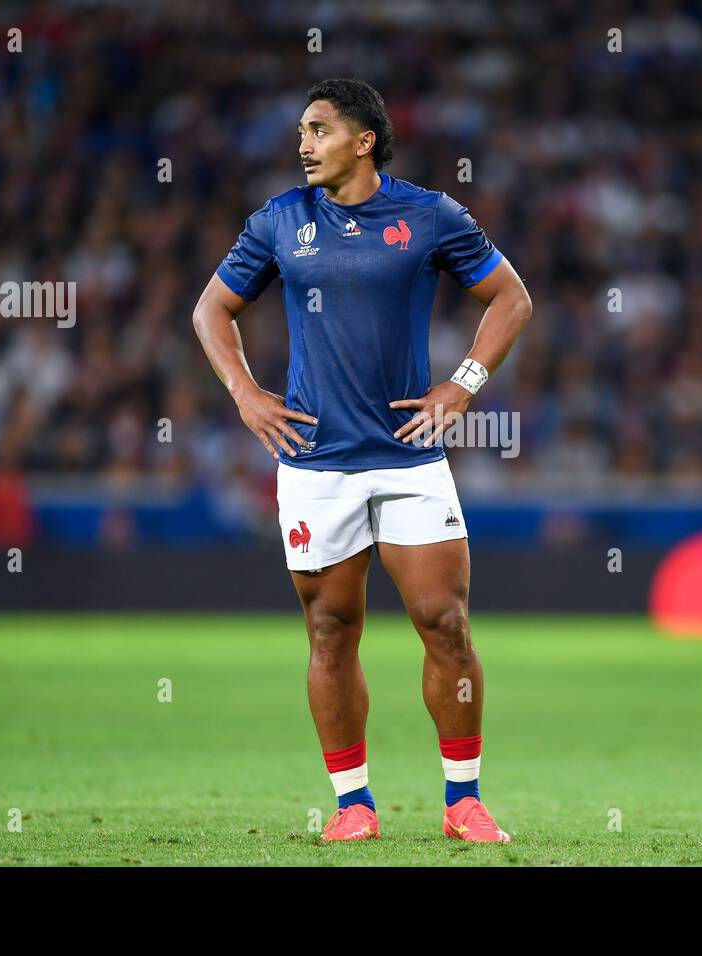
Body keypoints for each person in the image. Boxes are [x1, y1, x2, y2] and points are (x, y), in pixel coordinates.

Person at [192, 79, 532, 842]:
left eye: (318, 129)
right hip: (315, 464)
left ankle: (464, 801)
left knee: (445, 623)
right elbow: (210, 309)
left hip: (410, 460)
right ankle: (353, 806)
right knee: (330, 629)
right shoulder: (281, 221)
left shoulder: (430, 215)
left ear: (364, 139)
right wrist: (245, 394)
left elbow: (511, 298)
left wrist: (463, 384)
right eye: (301, 131)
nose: (302, 144)